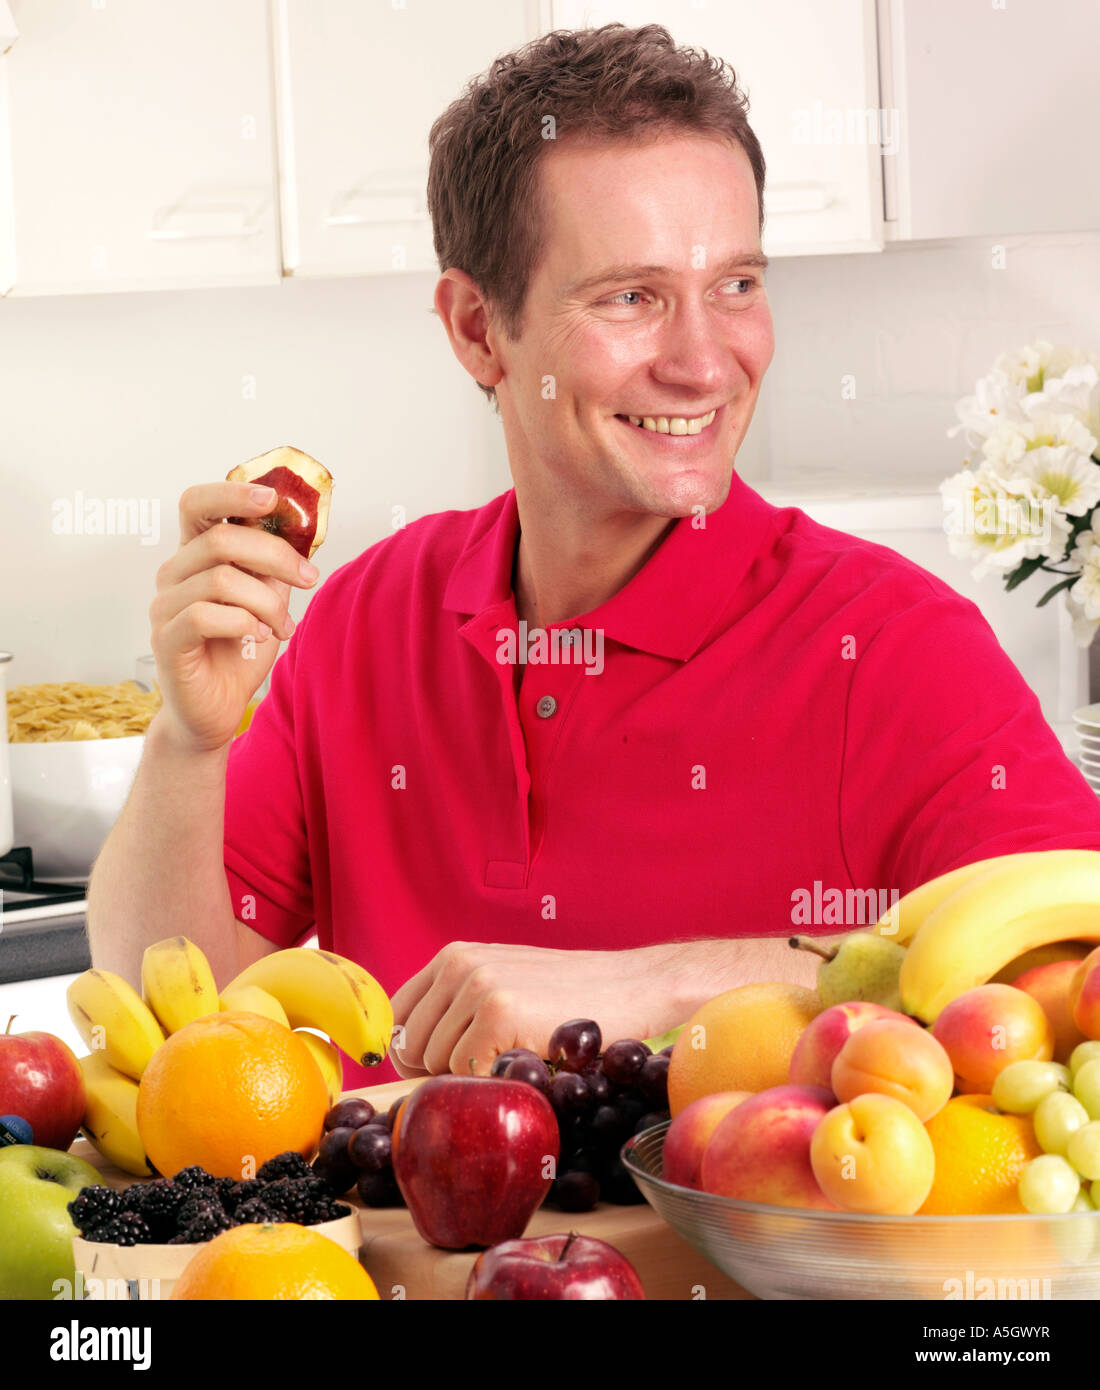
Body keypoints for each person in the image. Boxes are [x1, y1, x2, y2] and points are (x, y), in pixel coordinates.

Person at [88, 24, 1100, 1087]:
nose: (705, 360)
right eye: (630, 297)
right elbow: (176, 1022)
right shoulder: (364, 617)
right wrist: (188, 743)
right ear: (479, 328)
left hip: (716, 1257)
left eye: (736, 285)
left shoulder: (891, 645)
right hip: (376, 1258)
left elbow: (1064, 984)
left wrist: (648, 985)